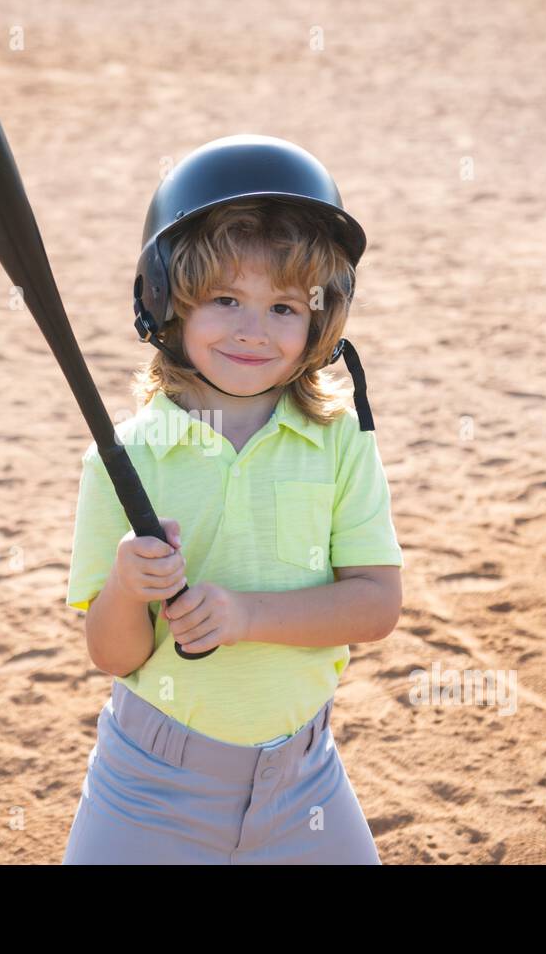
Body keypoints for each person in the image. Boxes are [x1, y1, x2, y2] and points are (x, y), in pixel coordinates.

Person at [62, 135, 403, 864]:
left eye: (284, 307)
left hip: (304, 781)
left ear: (322, 318)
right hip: (151, 788)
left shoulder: (338, 441)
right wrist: (128, 587)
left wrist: (245, 615)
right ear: (164, 302)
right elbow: (112, 654)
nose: (253, 330)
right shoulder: (125, 460)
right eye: (224, 300)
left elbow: (376, 604)